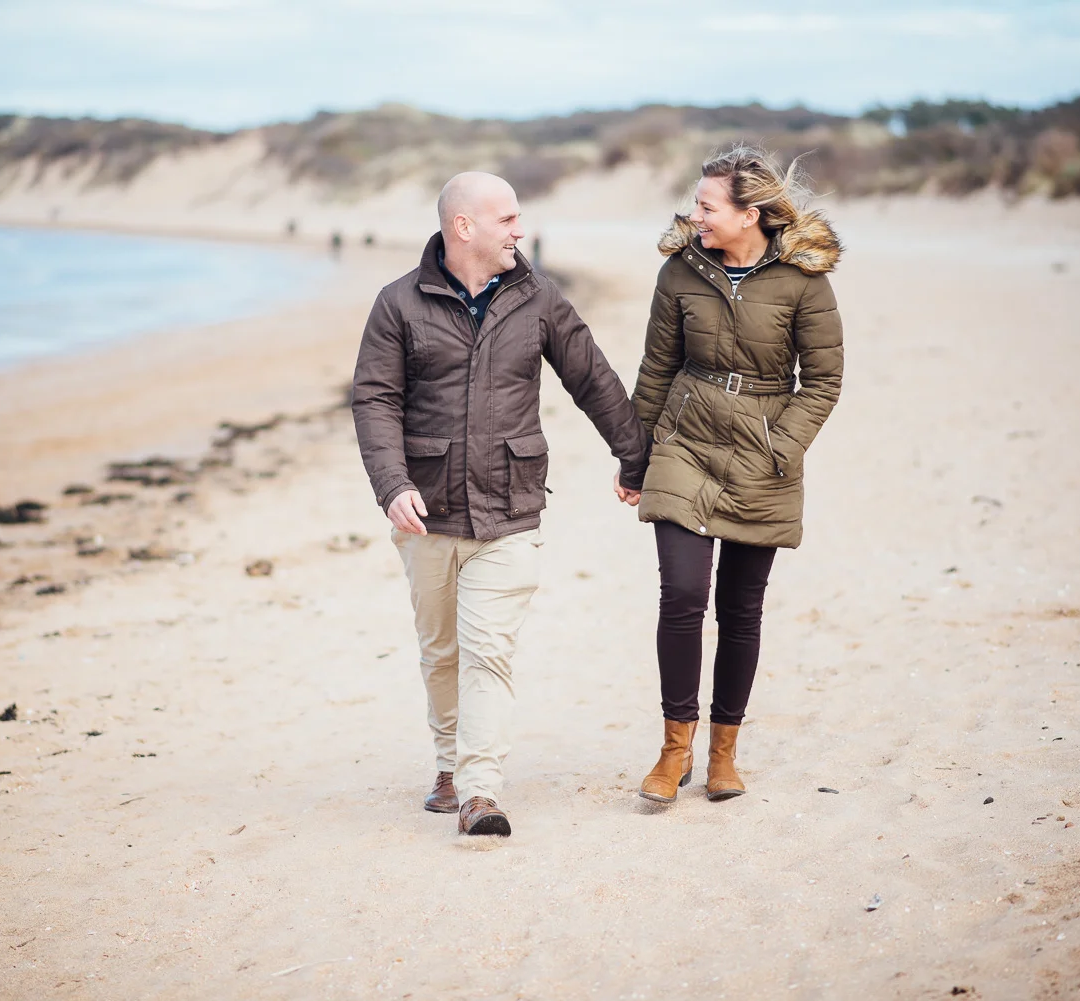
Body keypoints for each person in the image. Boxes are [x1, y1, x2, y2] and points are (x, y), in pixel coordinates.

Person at [352, 172, 649, 835]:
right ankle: (448, 764)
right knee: (442, 651)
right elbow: (374, 398)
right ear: (465, 228)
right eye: (508, 218)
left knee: (488, 651)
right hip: (425, 510)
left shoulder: (539, 298)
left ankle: (479, 790)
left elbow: (592, 377)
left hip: (511, 508)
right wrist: (392, 483)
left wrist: (636, 456)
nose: (521, 229)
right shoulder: (398, 302)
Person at [622, 145, 844, 803]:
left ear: (751, 213)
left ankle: (724, 754)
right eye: (696, 204)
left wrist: (783, 446)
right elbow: (656, 368)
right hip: (684, 442)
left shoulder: (806, 279)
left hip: (764, 451)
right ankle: (673, 750)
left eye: (708, 206)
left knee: (742, 608)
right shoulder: (680, 273)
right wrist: (635, 457)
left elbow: (824, 380)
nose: (695, 216)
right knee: (683, 594)